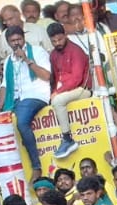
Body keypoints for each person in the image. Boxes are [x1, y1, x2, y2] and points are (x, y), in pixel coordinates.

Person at [0, 25, 53, 175]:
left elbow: (47, 76)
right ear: (8, 42)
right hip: (15, 99)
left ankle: (36, 167)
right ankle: (3, 165)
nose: (16, 43)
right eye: (13, 41)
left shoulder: (38, 52)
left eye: (19, 39)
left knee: (21, 122)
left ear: (24, 38)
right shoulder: (8, 60)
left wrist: (27, 60)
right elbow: (5, 85)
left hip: (36, 95)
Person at [47, 23, 90, 160]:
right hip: (65, 90)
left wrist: (58, 92)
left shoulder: (75, 51)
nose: (57, 43)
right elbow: (55, 77)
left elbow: (77, 79)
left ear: (65, 35)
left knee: (58, 101)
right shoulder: (53, 54)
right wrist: (54, 91)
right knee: (51, 100)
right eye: (54, 41)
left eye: (60, 39)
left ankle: (67, 139)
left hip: (82, 88)